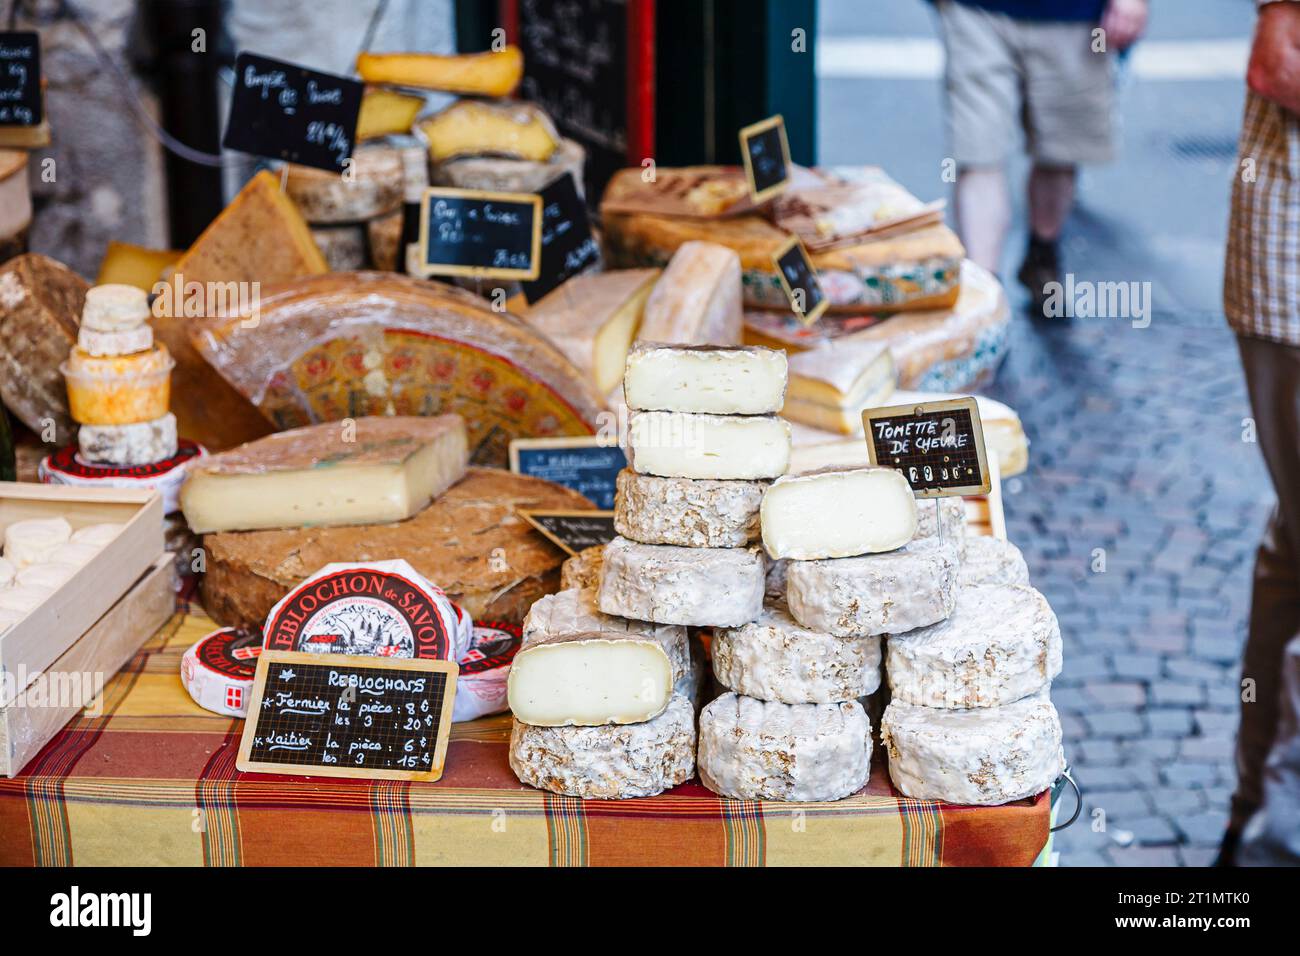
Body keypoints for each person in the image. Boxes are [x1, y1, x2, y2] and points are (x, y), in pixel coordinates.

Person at [1220, 0, 1300, 867]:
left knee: (1294, 549)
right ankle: (1273, 835)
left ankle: (1259, 817)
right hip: (1292, 277)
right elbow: (1278, 64)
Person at [930, 0, 1148, 311]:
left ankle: (1041, 253)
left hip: (1075, 17)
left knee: (1060, 151)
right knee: (978, 152)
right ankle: (984, 294)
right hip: (975, 11)